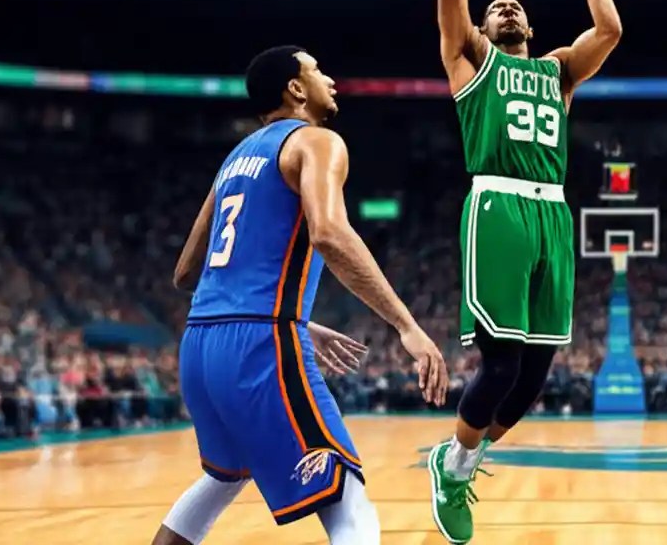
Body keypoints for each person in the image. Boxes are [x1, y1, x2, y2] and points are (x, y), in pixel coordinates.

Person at [150, 45, 449, 545]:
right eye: (317, 71)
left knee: (226, 478)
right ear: (294, 88)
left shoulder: (234, 159)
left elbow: (186, 272)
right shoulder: (316, 141)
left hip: (200, 346)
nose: (329, 80)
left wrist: (295, 317)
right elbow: (329, 234)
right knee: (349, 503)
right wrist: (407, 326)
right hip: (257, 344)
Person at [425, 0, 623, 545]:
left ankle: (465, 453)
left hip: (553, 214)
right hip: (500, 204)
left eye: (516, 6)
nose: (506, 6)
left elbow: (610, 29)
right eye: (495, 6)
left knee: (535, 376)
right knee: (501, 361)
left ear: (531, 29)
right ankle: (453, 464)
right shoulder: (471, 61)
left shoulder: (559, 73)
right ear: (480, 29)